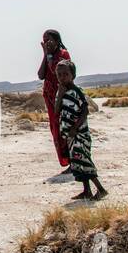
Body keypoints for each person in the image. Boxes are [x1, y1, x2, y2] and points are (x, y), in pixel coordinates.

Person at [56, 61, 107, 200]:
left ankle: (101, 189)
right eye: (59, 75)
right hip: (70, 136)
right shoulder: (61, 93)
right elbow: (56, 111)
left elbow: (85, 111)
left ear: (73, 75)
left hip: (80, 134)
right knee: (77, 163)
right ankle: (87, 191)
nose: (62, 77)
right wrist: (60, 95)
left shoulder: (77, 91)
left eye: (66, 74)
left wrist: (75, 128)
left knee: (84, 161)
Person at [36, 29, 74, 168]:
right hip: (51, 99)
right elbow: (40, 75)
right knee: (56, 129)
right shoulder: (48, 56)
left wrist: (51, 57)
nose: (47, 43)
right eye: (45, 41)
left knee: (66, 127)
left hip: (63, 98)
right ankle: (67, 161)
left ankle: (73, 162)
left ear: (57, 41)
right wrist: (46, 55)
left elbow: (59, 74)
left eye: (50, 40)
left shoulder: (63, 54)